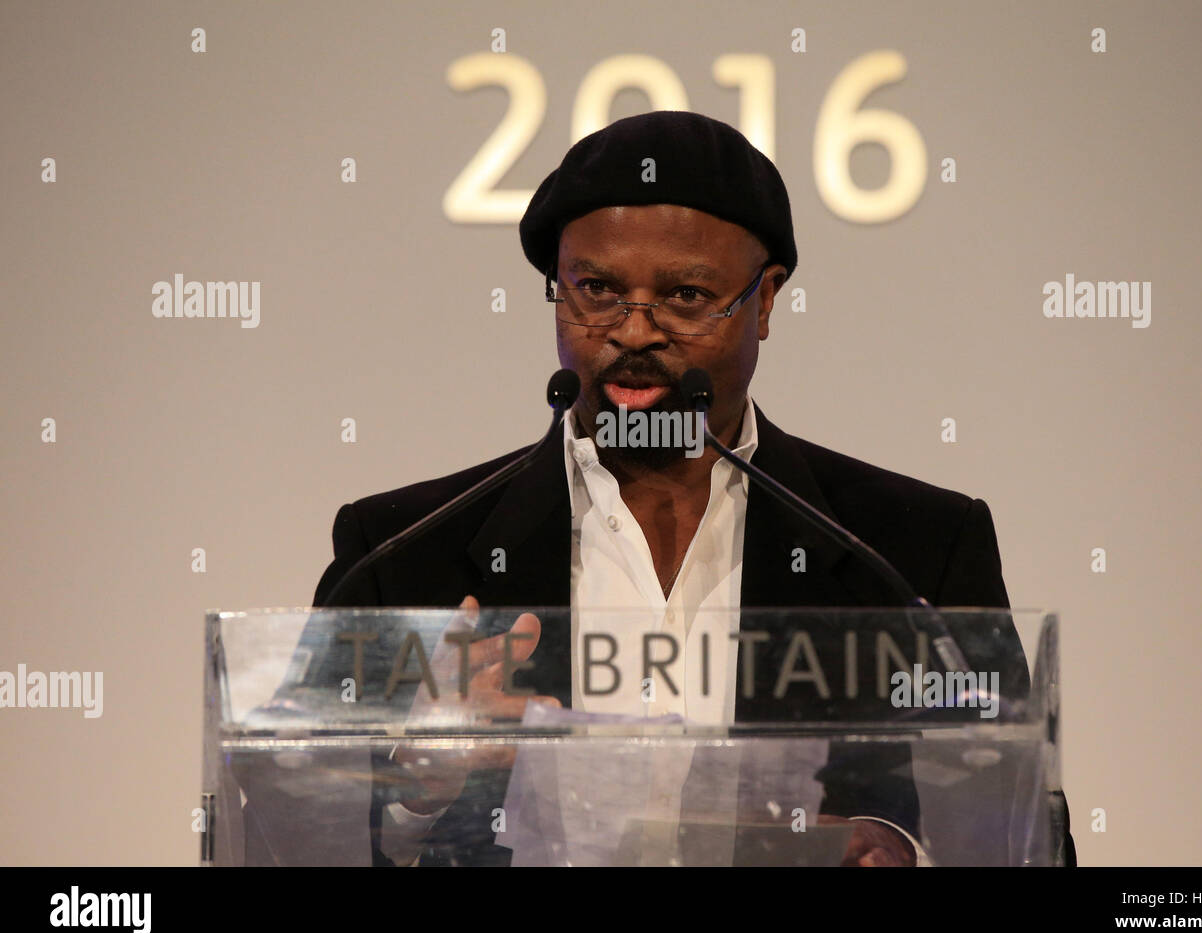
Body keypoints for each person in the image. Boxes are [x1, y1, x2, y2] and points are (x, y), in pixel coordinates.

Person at [311, 110, 1077, 867]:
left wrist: (904, 856)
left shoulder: (913, 550)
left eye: (684, 298)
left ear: (766, 300)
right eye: (597, 291)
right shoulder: (401, 557)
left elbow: (1025, 839)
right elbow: (286, 833)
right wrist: (420, 788)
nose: (635, 332)